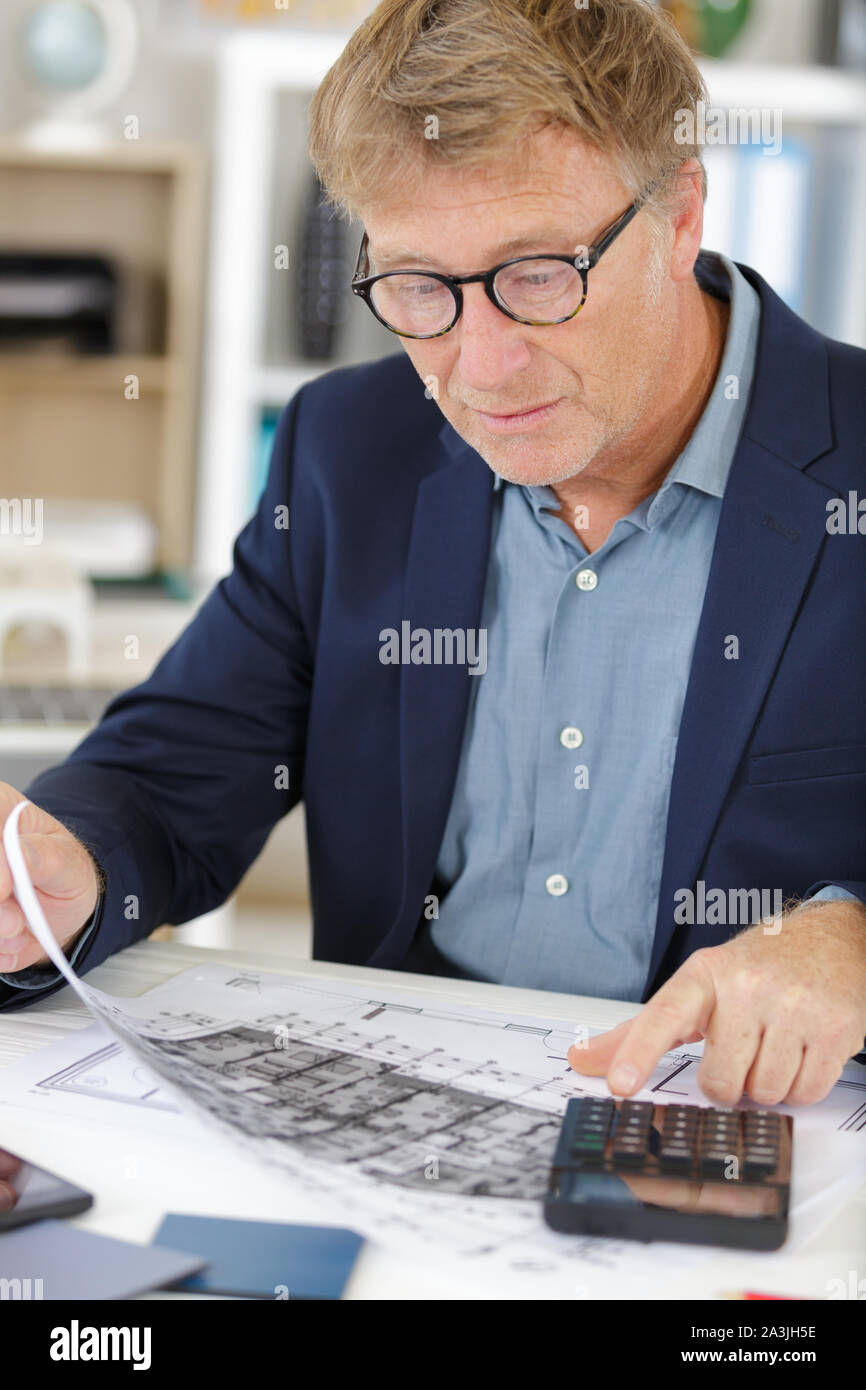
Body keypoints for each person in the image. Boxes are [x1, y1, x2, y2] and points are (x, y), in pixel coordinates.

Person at [1, 0, 864, 1110]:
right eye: (418, 287)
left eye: (539, 274)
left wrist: (851, 941)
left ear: (681, 210)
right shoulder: (345, 450)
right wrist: (65, 865)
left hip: (755, 1149)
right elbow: (179, 770)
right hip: (400, 1132)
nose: (482, 365)